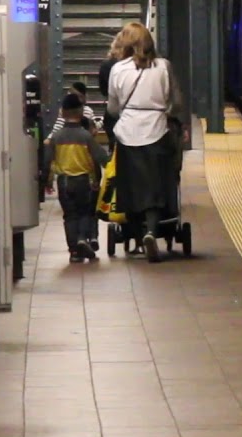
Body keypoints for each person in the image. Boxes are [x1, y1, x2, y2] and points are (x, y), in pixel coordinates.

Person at [106, 22, 187, 263]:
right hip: (157, 131)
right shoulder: (164, 67)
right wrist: (164, 111)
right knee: (156, 185)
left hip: (128, 133)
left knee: (130, 186)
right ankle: (153, 230)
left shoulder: (118, 69)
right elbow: (177, 102)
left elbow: (112, 107)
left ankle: (138, 235)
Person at [42, 93, 108, 263]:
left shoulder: (56, 138)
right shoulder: (86, 136)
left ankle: (74, 252)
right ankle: (81, 238)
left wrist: (46, 181)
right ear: (81, 112)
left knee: (69, 215)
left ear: (62, 113)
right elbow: (101, 157)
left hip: (63, 181)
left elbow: (47, 161)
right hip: (83, 180)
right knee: (85, 212)